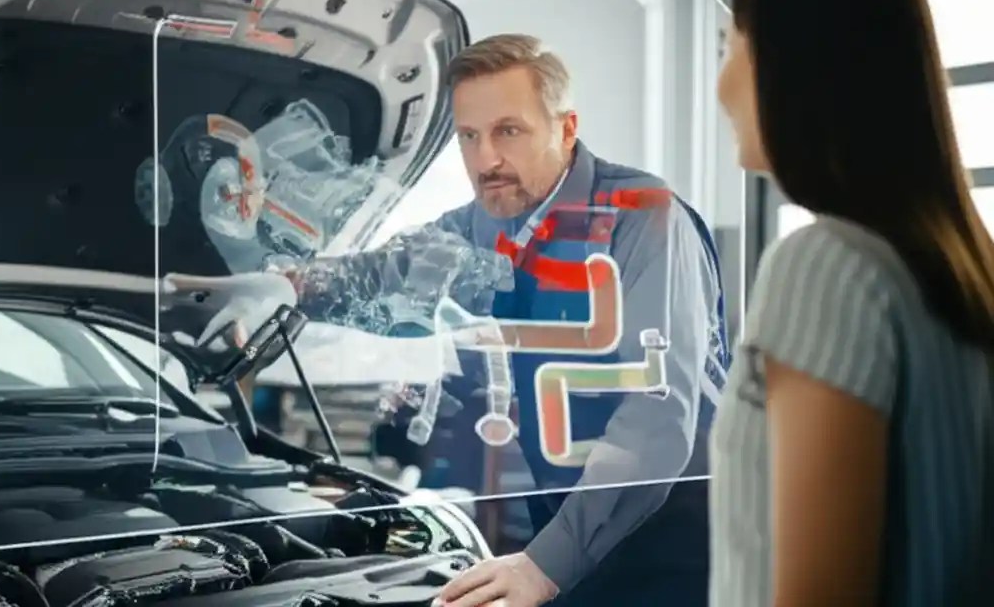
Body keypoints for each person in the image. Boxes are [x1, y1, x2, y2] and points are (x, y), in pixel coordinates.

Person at [217, 33, 729, 606]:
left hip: (680, 543)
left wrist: (545, 564)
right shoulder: (488, 223)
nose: (485, 160)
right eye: (469, 136)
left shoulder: (644, 220)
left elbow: (656, 420)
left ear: (565, 127)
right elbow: (390, 272)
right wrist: (285, 287)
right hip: (575, 538)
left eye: (508, 131)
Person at [712, 0, 994, 607]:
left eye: (729, 46)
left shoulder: (826, 267)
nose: (720, 84)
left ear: (788, 66)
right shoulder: (959, 275)